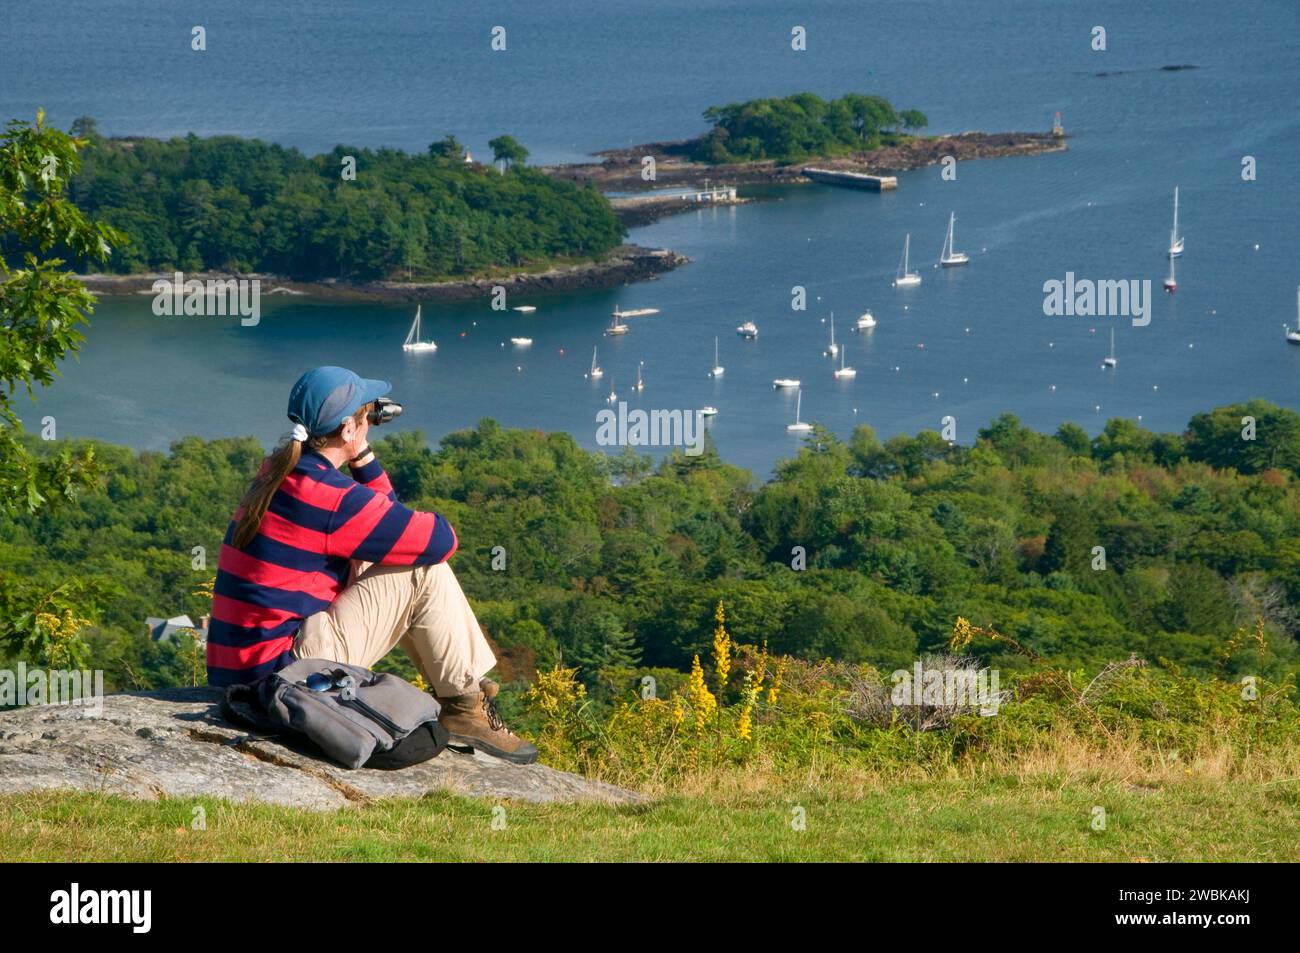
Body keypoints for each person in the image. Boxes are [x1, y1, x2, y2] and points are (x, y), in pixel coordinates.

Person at [206, 365, 538, 764]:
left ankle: (464, 695)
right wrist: (364, 456)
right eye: (365, 419)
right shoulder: (328, 497)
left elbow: (383, 529)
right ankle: (465, 706)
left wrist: (356, 449)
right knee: (423, 572)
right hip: (284, 676)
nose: (368, 426)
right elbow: (438, 541)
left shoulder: (275, 475)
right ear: (348, 429)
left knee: (377, 558)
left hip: (242, 672)